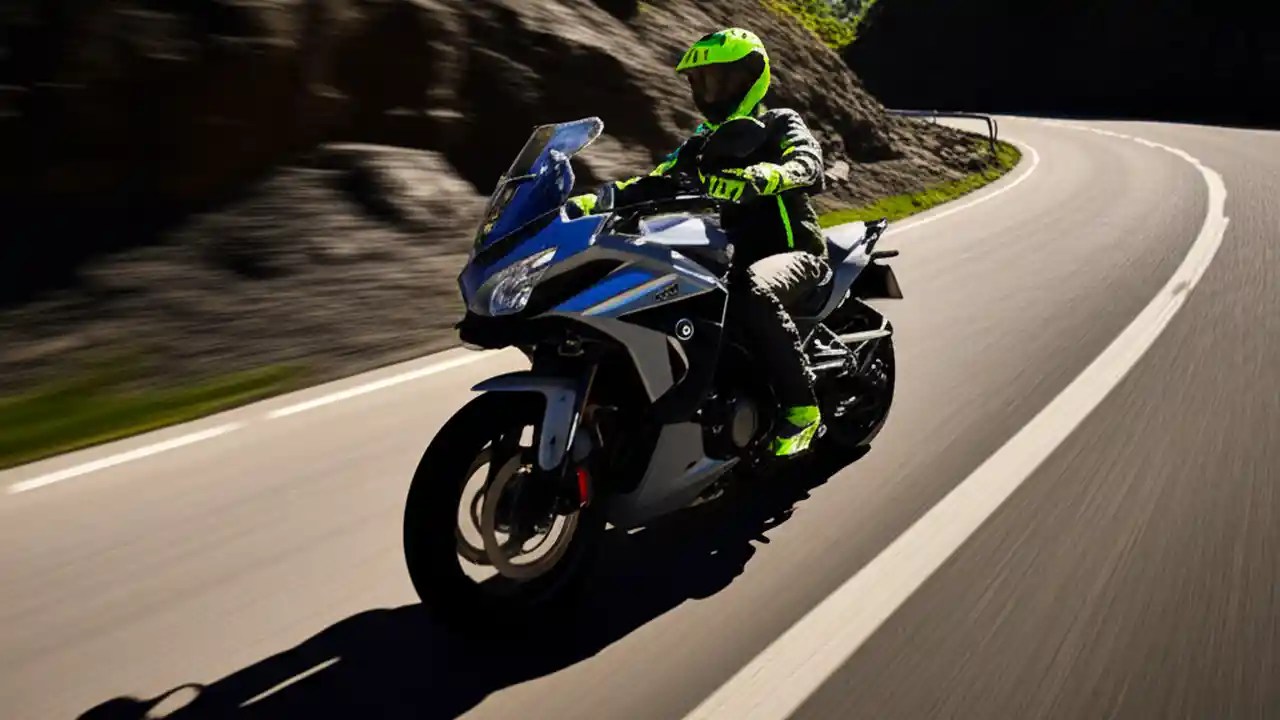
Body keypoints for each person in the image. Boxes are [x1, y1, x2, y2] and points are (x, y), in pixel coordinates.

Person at [567, 28, 829, 457]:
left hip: (793, 252)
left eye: (719, 79)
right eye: (700, 81)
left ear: (750, 77)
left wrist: (763, 176)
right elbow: (651, 183)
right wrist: (593, 201)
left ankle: (802, 408)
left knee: (749, 293)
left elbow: (807, 162)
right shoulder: (701, 144)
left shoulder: (777, 122)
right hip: (726, 257)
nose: (708, 90)